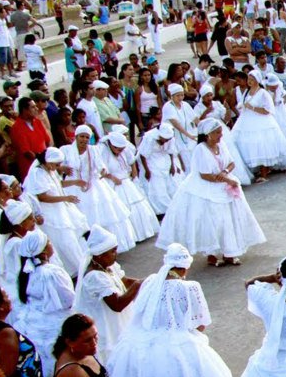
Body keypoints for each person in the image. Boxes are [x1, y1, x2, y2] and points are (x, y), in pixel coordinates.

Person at [109, 244, 239, 377]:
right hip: (179, 352)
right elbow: (200, 324)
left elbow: (141, 316)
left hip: (143, 352)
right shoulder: (189, 287)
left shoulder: (150, 282)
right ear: (185, 267)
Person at [156, 119, 266, 267]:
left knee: (228, 221)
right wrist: (227, 180)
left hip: (224, 186)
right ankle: (211, 255)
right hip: (206, 189)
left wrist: (225, 172)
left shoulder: (221, 145)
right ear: (208, 134)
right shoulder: (200, 149)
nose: (221, 135)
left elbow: (231, 163)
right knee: (213, 222)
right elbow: (205, 175)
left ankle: (229, 253)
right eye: (217, 132)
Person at [61, 126, 137, 255]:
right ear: (76, 136)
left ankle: (105, 247)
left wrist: (103, 171)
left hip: (93, 183)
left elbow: (101, 165)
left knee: (102, 214)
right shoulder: (66, 150)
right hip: (74, 185)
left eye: (87, 137)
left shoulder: (93, 150)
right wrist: (63, 169)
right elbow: (57, 166)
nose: (84, 139)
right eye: (82, 136)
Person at [14, 230, 75, 377]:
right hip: (55, 323)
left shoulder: (27, 272)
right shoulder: (53, 272)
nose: (51, 244)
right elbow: (68, 299)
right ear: (43, 252)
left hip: (33, 323)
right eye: (48, 242)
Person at [71, 226, 139, 360]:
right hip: (105, 325)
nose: (116, 254)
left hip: (115, 321)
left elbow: (124, 281)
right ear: (100, 254)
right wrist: (138, 285)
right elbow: (117, 305)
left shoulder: (107, 266)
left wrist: (149, 281)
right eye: (112, 251)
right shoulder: (95, 276)